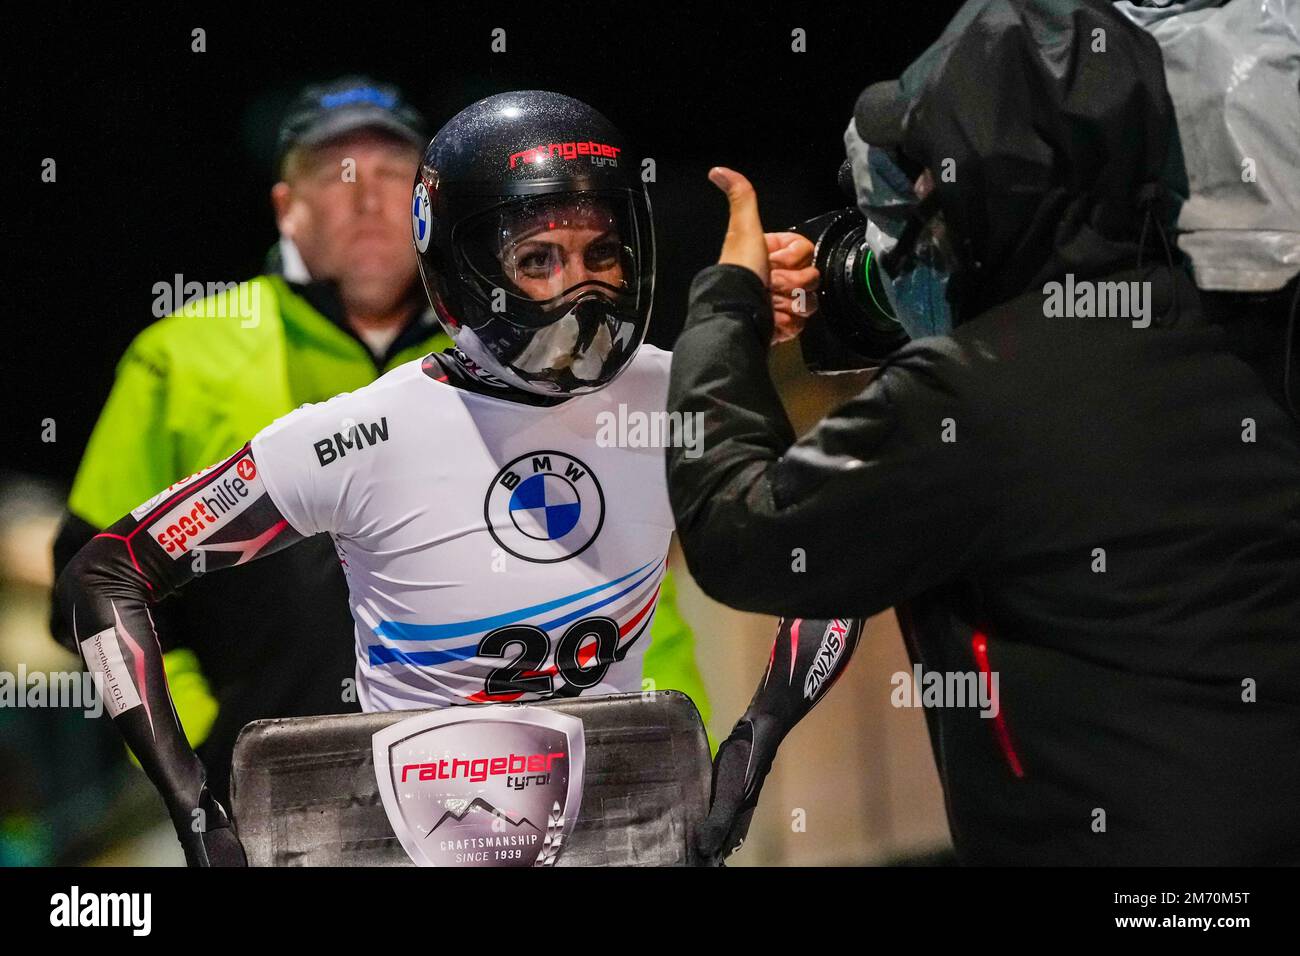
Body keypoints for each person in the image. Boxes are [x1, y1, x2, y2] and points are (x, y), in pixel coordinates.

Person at [669, 0, 1300, 865]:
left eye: (926, 186)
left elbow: (742, 532)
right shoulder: (1242, 335)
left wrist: (725, 308)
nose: (915, 217)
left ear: (979, 190)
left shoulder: (975, 395)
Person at [52, 90, 739, 866]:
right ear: (287, 206)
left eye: (602, 254)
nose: (367, 195)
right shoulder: (227, 368)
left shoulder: (662, 389)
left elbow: (824, 536)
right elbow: (99, 575)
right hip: (365, 818)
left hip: (627, 803)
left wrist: (729, 742)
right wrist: (199, 779)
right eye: (537, 259)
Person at [49, 76, 455, 810]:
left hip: (476, 779)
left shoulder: (493, 354)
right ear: (285, 207)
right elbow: (83, 593)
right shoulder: (181, 357)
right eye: (337, 175)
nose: (368, 199)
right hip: (270, 803)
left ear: (430, 202)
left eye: (394, 173)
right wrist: (197, 754)